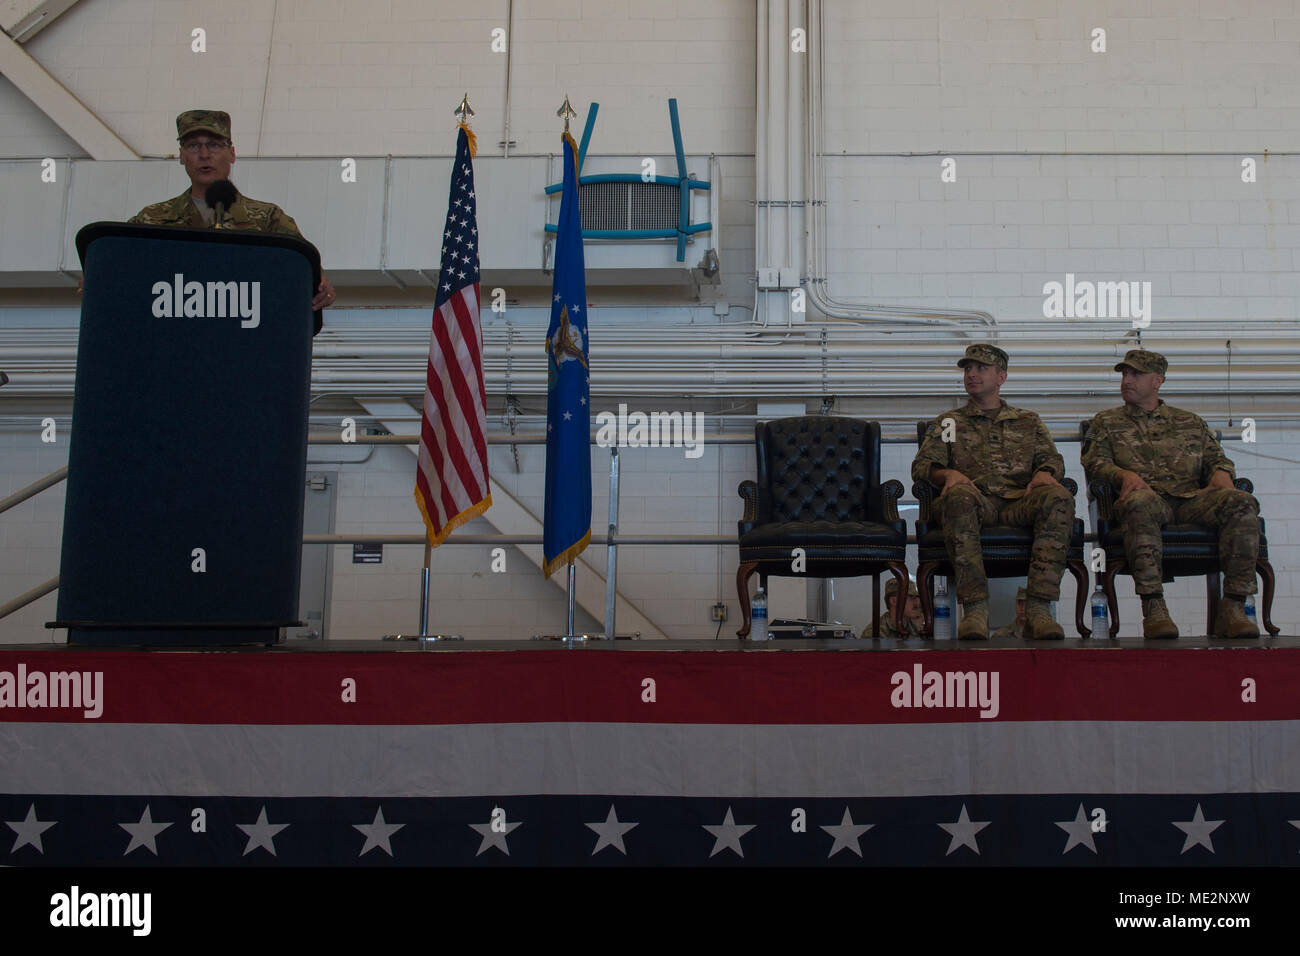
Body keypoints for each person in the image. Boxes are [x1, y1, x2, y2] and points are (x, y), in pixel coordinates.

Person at [1081, 349, 1259, 639]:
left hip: (1191, 500)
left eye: (1136, 374)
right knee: (1139, 503)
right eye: (1125, 374)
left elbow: (1218, 458)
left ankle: (1234, 607)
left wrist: (1222, 472)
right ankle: (1154, 608)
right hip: (1147, 499)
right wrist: (1124, 475)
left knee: (1242, 502)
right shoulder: (1107, 422)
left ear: (1157, 381)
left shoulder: (1189, 421)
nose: (1127, 380)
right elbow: (1094, 462)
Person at [912, 344, 1074, 640]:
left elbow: (1053, 460)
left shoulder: (1028, 421)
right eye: (967, 369)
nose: (971, 374)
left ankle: (1038, 608)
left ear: (1001, 376)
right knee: (957, 497)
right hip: (976, 503)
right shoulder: (950, 423)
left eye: (980, 368)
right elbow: (923, 465)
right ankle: (975, 610)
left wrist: (1044, 473)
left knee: (1059, 497)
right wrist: (949, 473)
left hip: (1020, 502)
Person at [126, 110, 335, 312]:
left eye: (214, 145)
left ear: (232, 153)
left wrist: (320, 285)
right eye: (193, 146)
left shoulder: (267, 219)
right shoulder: (151, 220)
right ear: (181, 156)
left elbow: (304, 269)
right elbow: (123, 272)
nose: (204, 155)